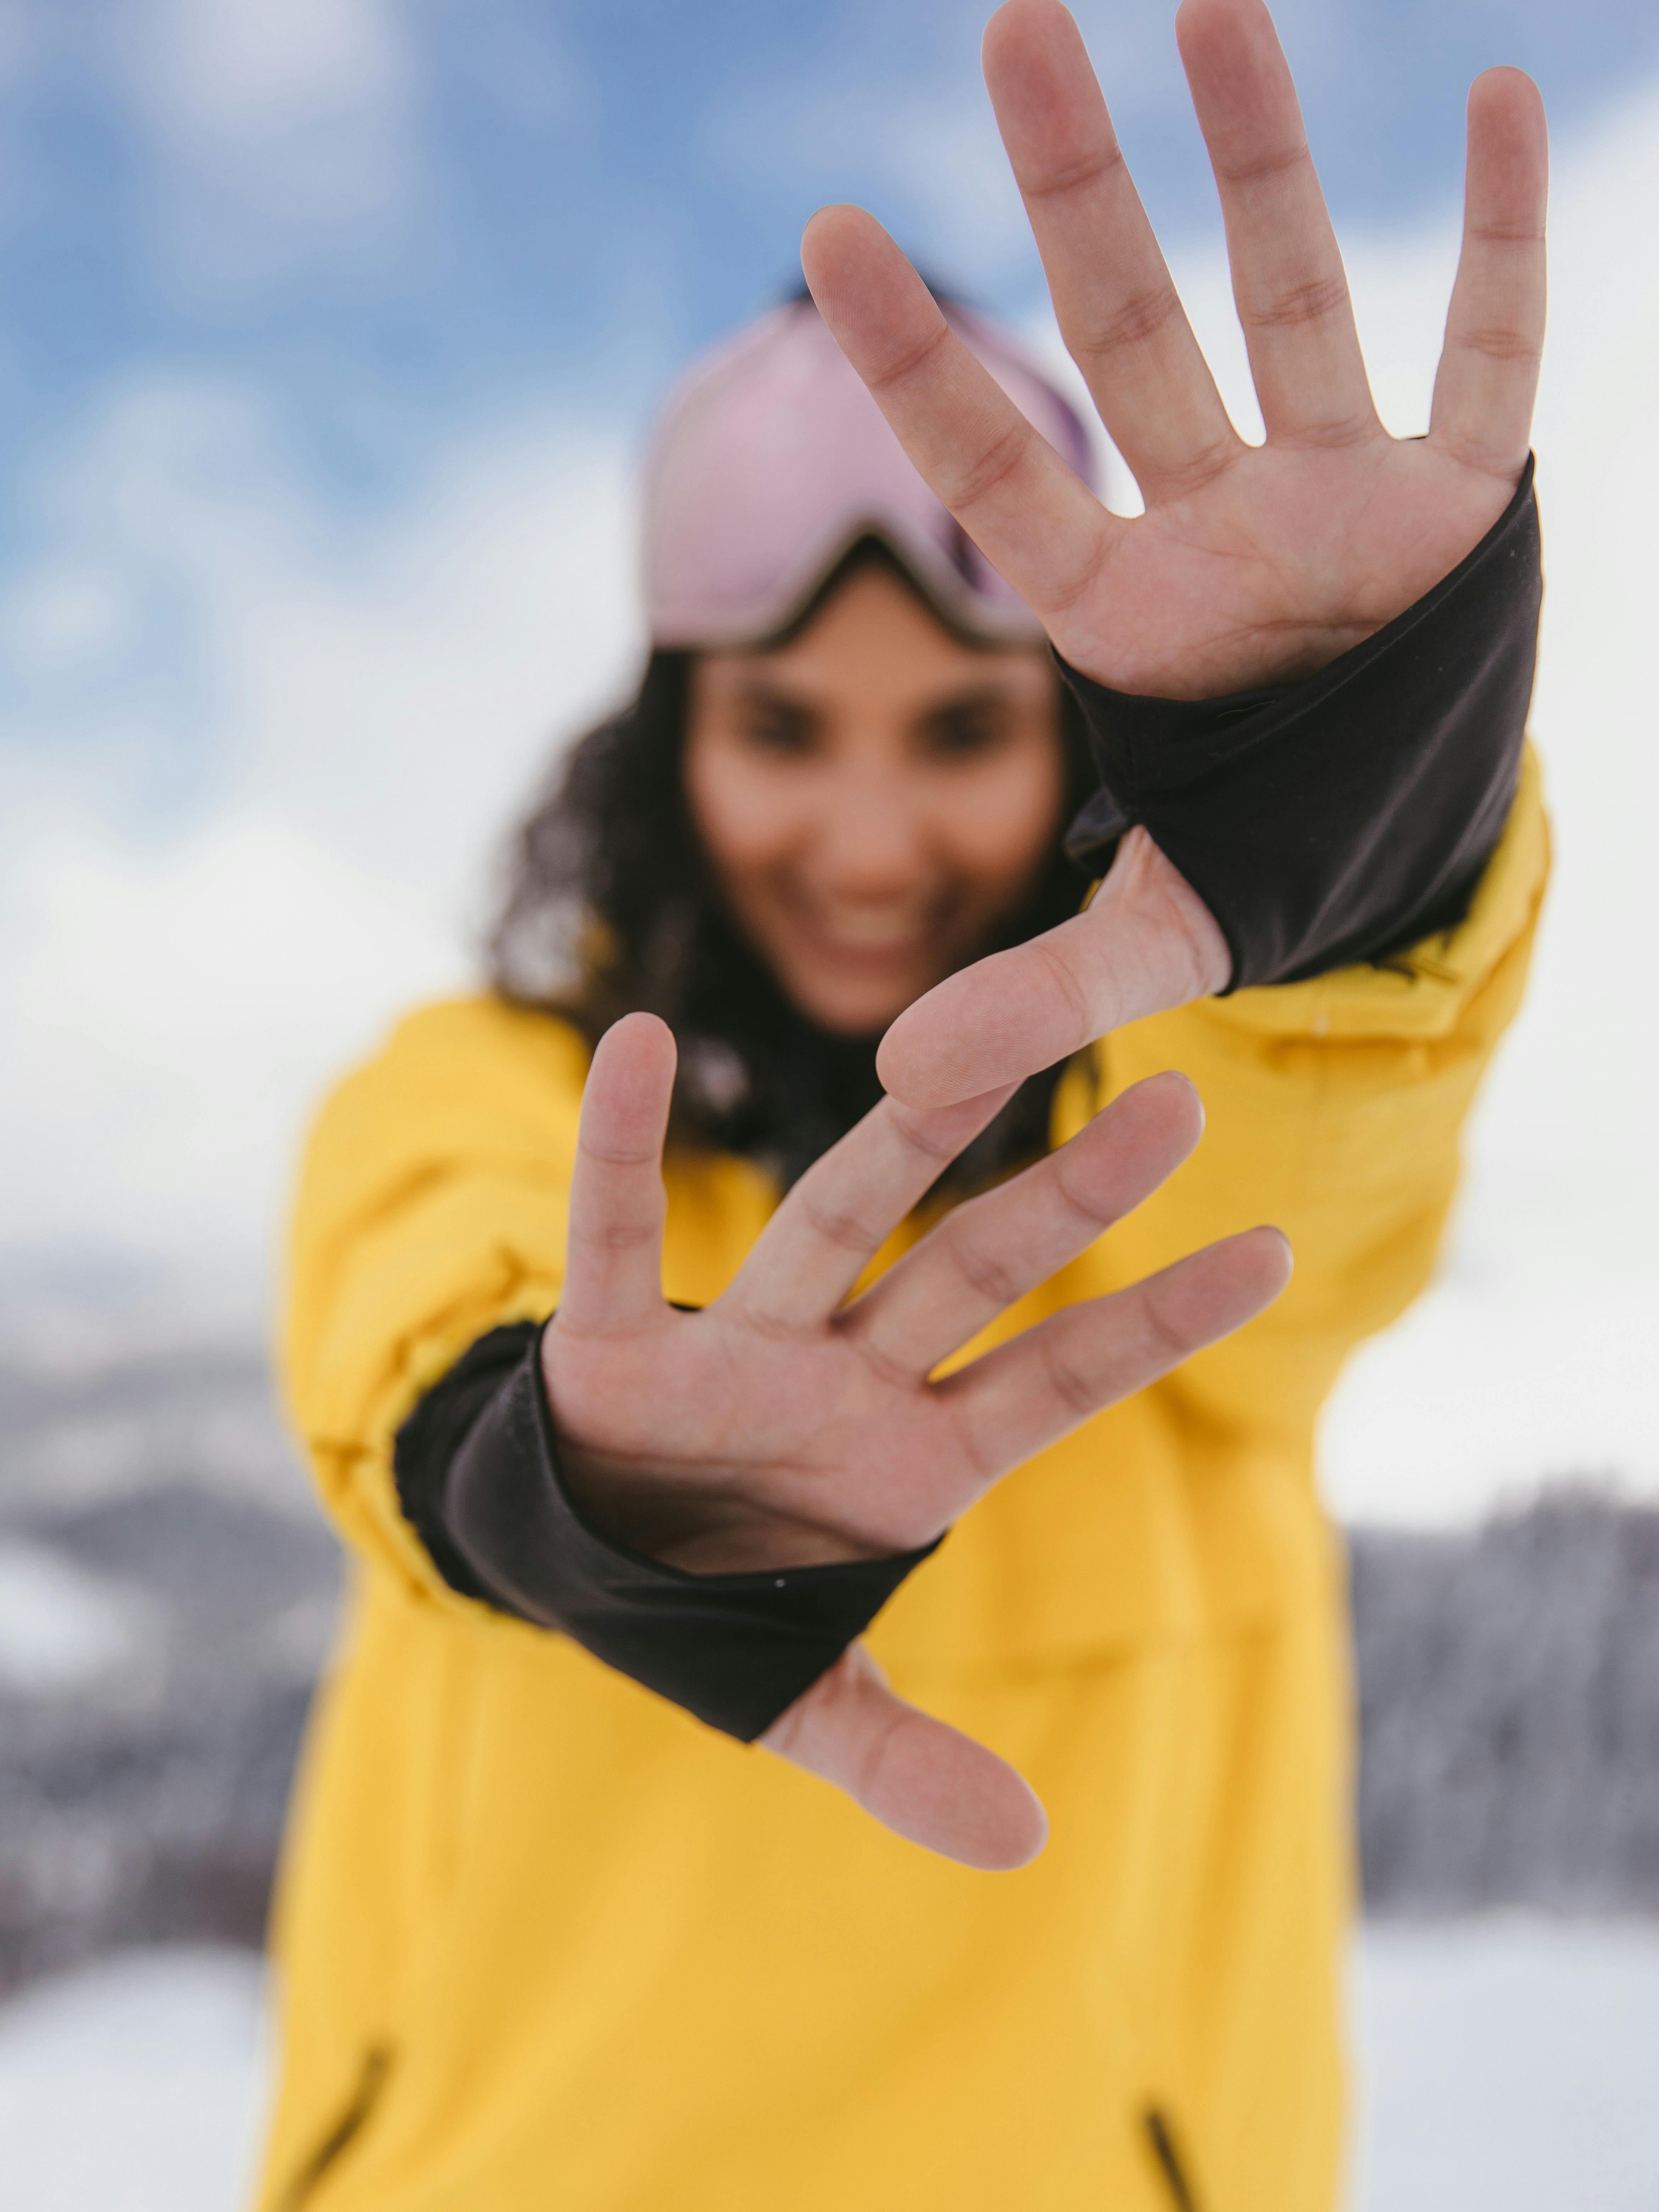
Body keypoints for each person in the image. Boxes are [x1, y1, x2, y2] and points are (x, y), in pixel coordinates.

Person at [258, 1, 1550, 2205]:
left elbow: (1319, 1157)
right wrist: (560, 1480)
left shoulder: (1153, 1157)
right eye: (786, 728)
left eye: (956, 730)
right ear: (673, 749)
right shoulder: (489, 1092)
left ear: (1062, 748)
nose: (865, 841)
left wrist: (1342, 871)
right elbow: (417, 1294)